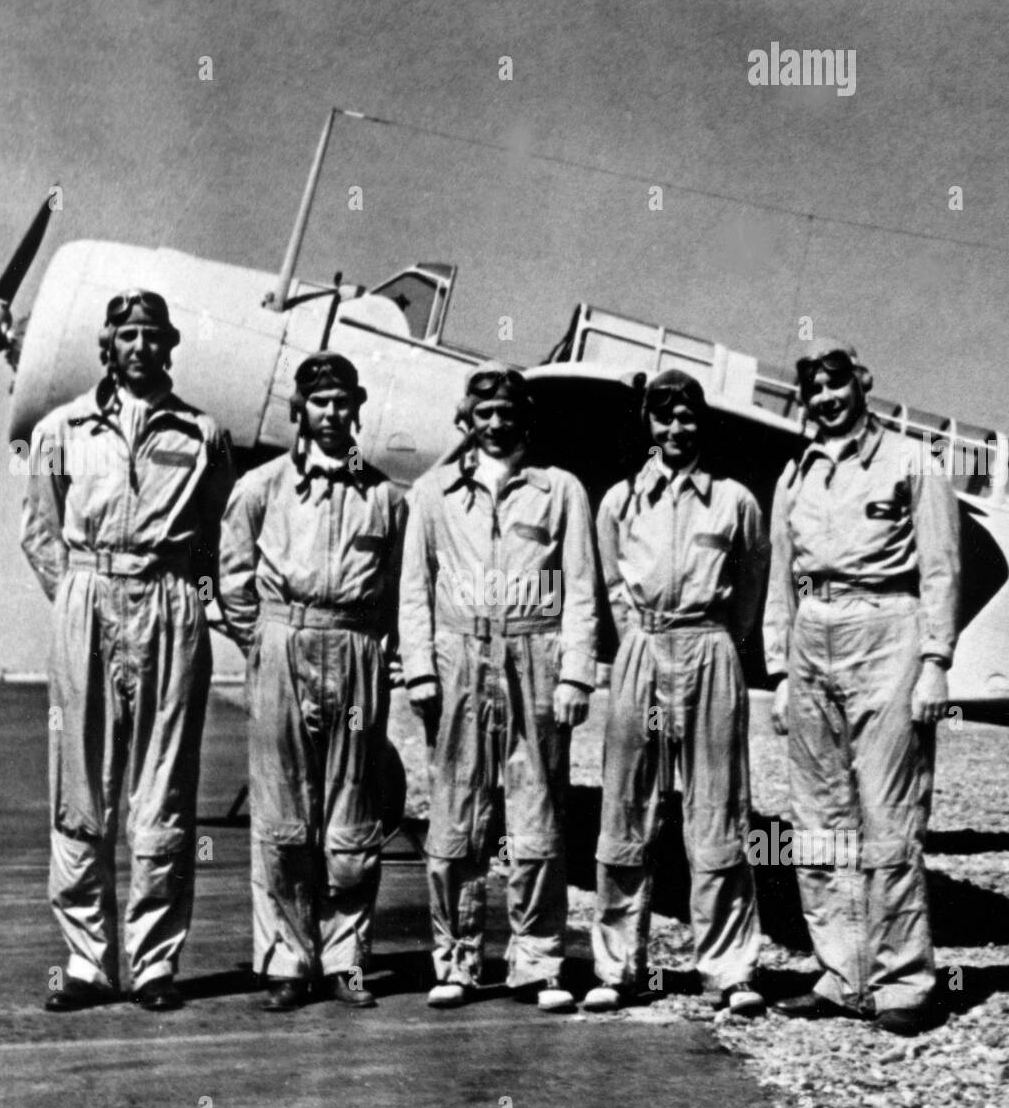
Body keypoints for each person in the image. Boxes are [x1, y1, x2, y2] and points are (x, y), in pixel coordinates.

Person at [21, 289, 232, 1012]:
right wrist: (81, 599)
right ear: (106, 346)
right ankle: (86, 961)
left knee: (163, 790)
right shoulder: (62, 430)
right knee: (79, 789)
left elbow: (216, 538)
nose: (140, 345)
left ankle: (151, 963)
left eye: (153, 334)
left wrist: (187, 600)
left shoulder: (202, 433)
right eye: (127, 334)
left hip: (170, 603)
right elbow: (40, 532)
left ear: (169, 346)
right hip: (87, 599)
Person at [764, 337, 960, 1036]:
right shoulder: (797, 474)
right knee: (818, 821)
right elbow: (780, 577)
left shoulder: (913, 461)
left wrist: (935, 658)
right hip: (813, 632)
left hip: (888, 627)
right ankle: (842, 973)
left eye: (837, 384)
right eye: (814, 389)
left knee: (887, 814)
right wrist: (781, 672)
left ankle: (905, 981)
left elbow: (939, 567)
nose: (826, 399)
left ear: (863, 385)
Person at [400, 362, 599, 1012]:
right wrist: (422, 669)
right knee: (456, 814)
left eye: (507, 412)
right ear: (466, 419)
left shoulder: (560, 489)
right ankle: (455, 958)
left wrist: (576, 672)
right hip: (461, 655)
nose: (495, 423)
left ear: (525, 418)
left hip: (535, 655)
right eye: (483, 413)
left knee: (536, 815)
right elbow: (414, 591)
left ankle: (537, 961)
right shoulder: (432, 494)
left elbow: (581, 589)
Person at [219, 352, 407, 1011]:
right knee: (280, 813)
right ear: (300, 410)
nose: (331, 414)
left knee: (353, 810)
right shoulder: (261, 488)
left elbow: (397, 589)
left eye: (342, 402)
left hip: (355, 647)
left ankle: (345, 957)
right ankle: (284, 960)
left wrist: (371, 648)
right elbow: (233, 578)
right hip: (281, 642)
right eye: (319, 402)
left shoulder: (385, 496)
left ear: (357, 410)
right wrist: (262, 643)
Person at [587, 369, 769, 1018]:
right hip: (643, 648)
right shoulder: (619, 502)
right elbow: (611, 585)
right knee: (626, 813)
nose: (674, 430)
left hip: (711, 649)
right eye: (663, 418)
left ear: (702, 424)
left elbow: (751, 587)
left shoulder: (735, 502)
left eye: (686, 417)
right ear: (649, 425)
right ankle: (618, 965)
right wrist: (639, 639)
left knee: (718, 813)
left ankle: (729, 967)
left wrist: (718, 641)